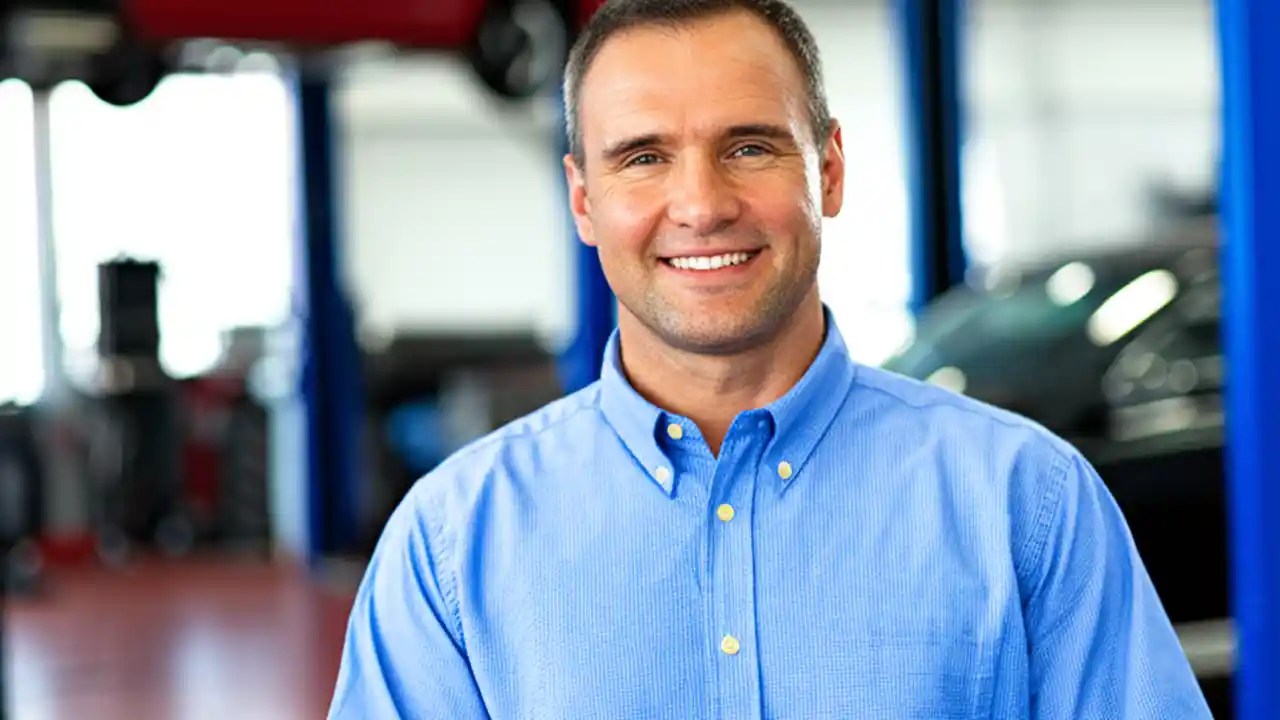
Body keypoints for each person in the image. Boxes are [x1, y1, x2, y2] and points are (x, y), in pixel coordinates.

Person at [328, 0, 1212, 717]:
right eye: (644, 157)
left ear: (827, 169)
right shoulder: (453, 543)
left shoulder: (1028, 503)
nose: (702, 205)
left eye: (749, 146)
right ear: (584, 199)